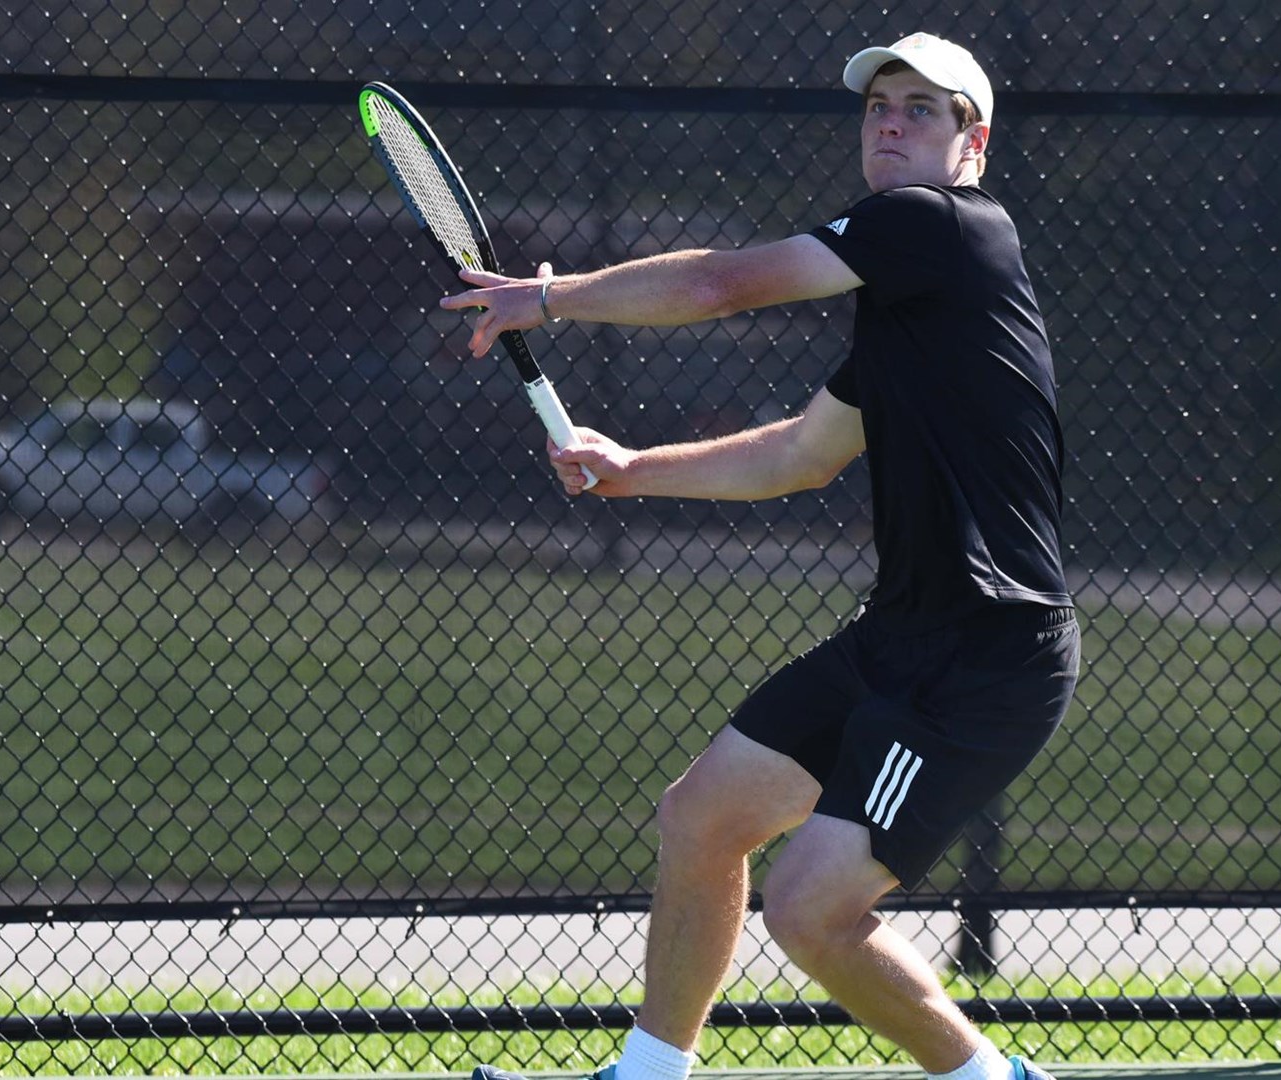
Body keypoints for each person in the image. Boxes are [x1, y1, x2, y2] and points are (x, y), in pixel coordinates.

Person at [443, 31, 1079, 1080]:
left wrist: (546, 298)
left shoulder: (940, 225)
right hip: (903, 636)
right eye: (879, 104)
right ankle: (649, 1074)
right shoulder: (913, 316)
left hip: (987, 656)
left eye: (923, 108)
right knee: (702, 816)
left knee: (810, 913)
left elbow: (722, 286)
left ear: (974, 143)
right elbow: (798, 454)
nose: (891, 121)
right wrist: (630, 467)